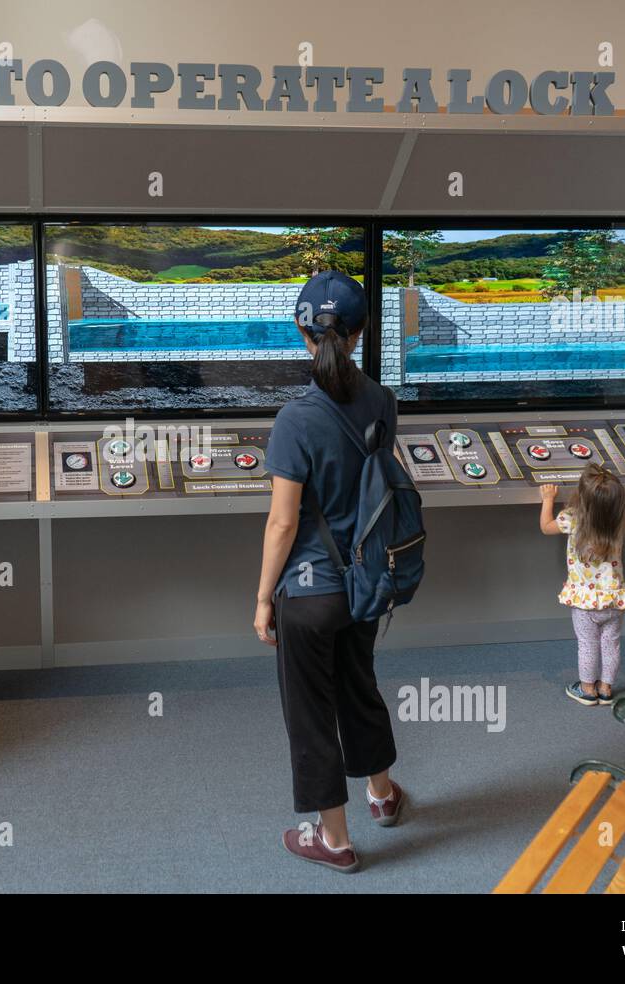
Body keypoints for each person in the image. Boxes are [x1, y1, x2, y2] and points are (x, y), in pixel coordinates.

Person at [255, 270, 403, 874]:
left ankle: (333, 840)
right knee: (359, 688)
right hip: (368, 583)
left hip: (310, 594)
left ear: (301, 330)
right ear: (362, 331)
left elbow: (282, 525)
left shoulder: (296, 418)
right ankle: (383, 795)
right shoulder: (382, 400)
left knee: (311, 712)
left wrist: (264, 598)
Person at [539, 465, 625, 706]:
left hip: (585, 603)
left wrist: (548, 499)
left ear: (582, 498)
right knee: (611, 644)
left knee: (587, 644)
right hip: (614, 599)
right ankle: (605, 689)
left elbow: (546, 526)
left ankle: (587, 690)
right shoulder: (618, 521)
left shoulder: (573, 517)